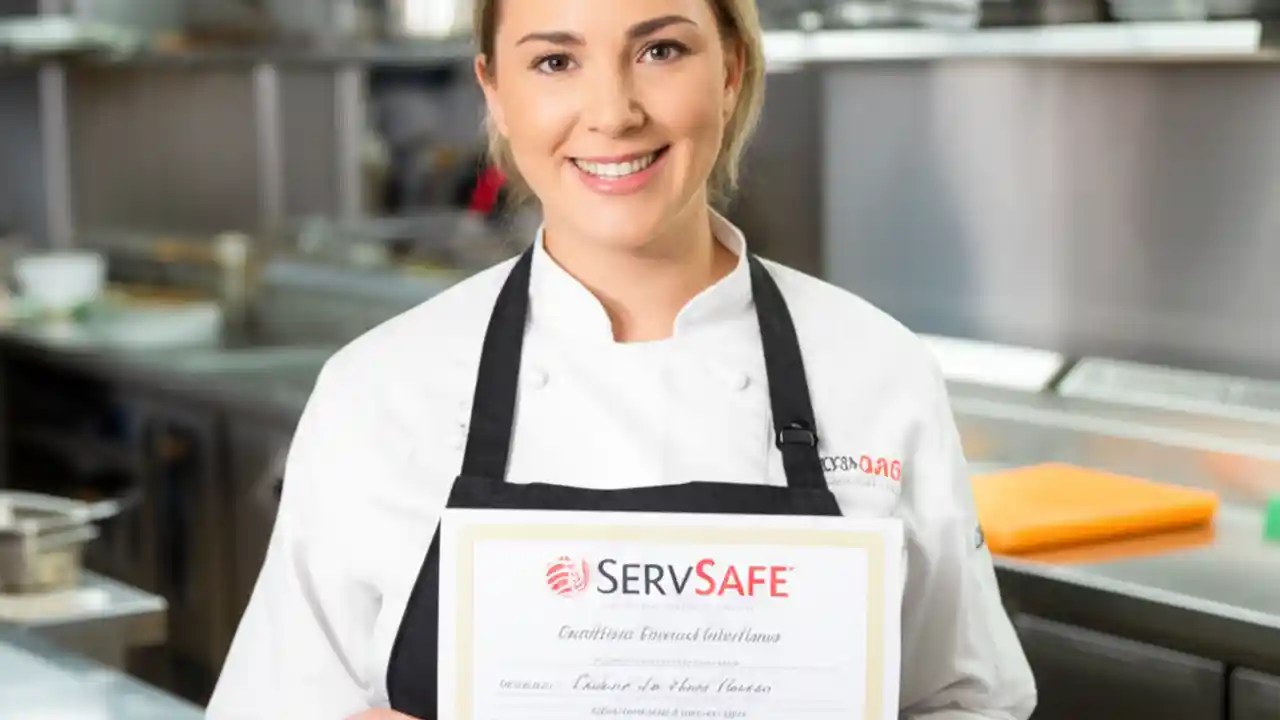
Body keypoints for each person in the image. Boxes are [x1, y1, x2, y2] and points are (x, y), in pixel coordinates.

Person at [205, 0, 1037, 717]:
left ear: (732, 70)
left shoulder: (877, 370)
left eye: (661, 50)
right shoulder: (378, 391)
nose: (612, 112)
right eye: (556, 60)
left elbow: (966, 701)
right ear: (495, 89)